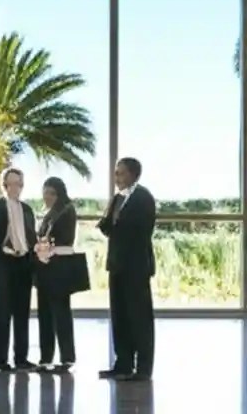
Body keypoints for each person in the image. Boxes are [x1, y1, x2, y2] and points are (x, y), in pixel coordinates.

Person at [98, 157, 157, 382]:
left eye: (121, 173)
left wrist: (117, 224)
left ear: (133, 174)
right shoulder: (118, 199)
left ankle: (143, 368)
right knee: (120, 315)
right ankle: (122, 363)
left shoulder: (143, 198)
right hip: (117, 265)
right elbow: (109, 228)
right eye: (115, 173)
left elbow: (140, 231)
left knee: (139, 317)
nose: (117, 178)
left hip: (136, 266)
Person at [0, 168, 37, 373]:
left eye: (19, 184)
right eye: (11, 183)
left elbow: (31, 236)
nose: (16, 188)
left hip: (24, 262)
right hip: (4, 261)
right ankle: (0, 359)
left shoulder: (28, 210)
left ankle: (21, 358)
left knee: (22, 312)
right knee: (3, 311)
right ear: (4, 185)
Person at [34, 176, 88, 374]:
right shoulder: (50, 214)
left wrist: (48, 248)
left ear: (59, 194)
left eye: (51, 193)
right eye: (45, 193)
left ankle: (66, 357)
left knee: (60, 312)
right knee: (45, 313)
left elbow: (64, 240)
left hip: (59, 268)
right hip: (45, 268)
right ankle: (45, 356)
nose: (47, 197)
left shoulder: (66, 211)